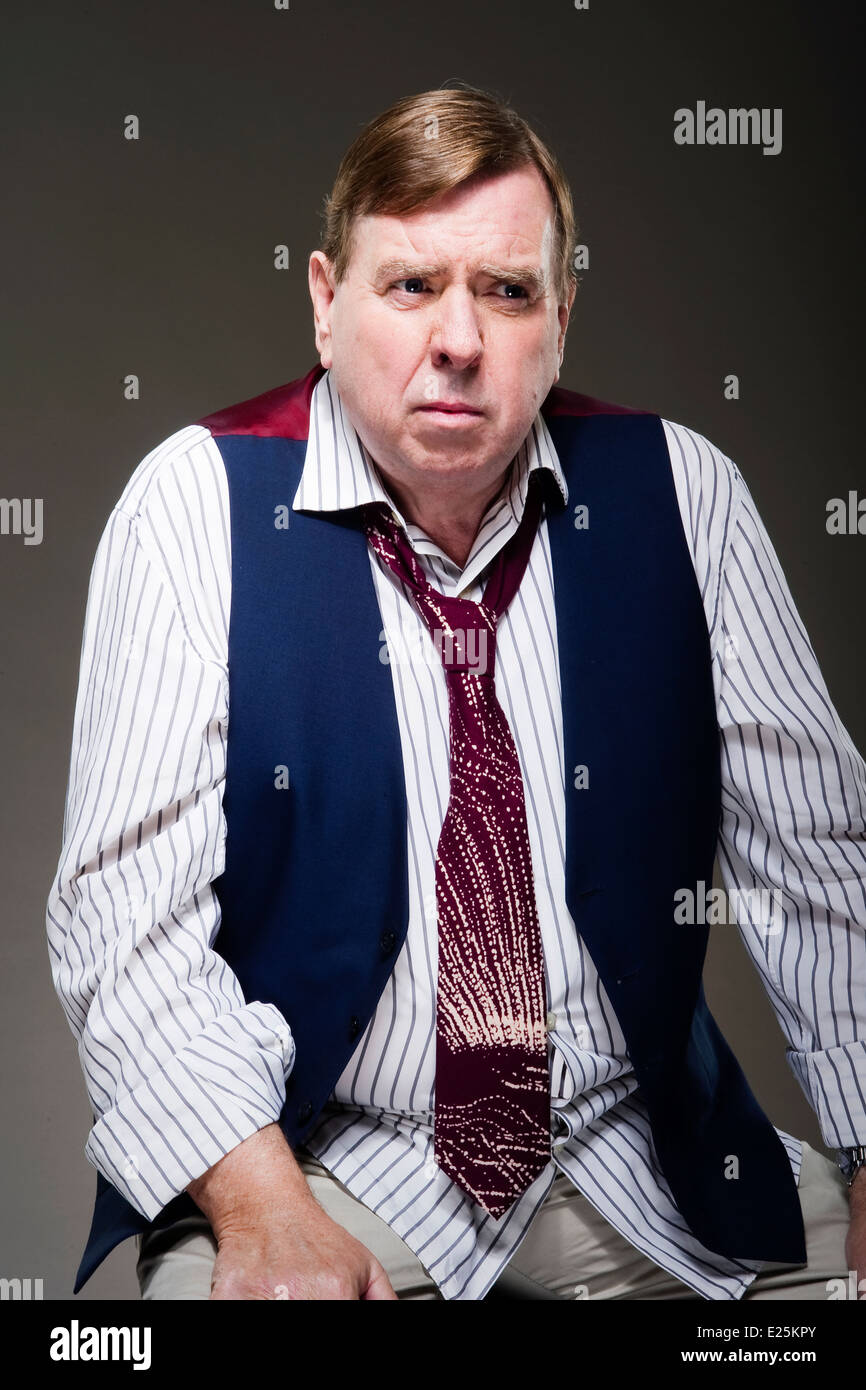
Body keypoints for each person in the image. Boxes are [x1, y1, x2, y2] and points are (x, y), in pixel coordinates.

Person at [46, 85, 866, 1302]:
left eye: (506, 289)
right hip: (317, 1166)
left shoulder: (680, 496)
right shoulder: (195, 506)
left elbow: (822, 859)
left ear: (561, 316)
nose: (459, 339)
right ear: (326, 303)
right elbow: (124, 923)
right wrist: (265, 1210)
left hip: (645, 1156)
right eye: (411, 285)